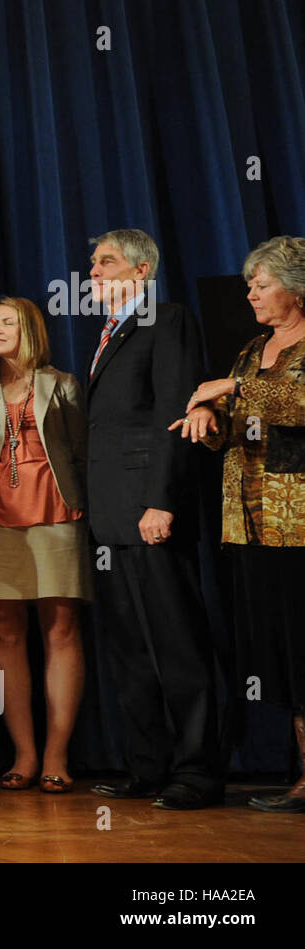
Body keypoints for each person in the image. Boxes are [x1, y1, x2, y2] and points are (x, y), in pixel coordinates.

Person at [83, 228, 222, 810]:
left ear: (140, 272)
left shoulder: (169, 321)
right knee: (130, 650)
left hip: (150, 511)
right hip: (109, 519)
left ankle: (198, 773)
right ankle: (147, 767)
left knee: (177, 646)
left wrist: (160, 501)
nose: (92, 272)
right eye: (91, 264)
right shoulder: (106, 334)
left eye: (105, 262)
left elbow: (172, 415)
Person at [171, 235, 305, 813]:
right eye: (249, 285)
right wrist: (206, 413)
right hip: (252, 524)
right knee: (281, 653)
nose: (251, 294)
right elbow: (230, 420)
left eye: (262, 284)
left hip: (300, 524)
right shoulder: (252, 348)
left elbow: (299, 405)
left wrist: (232, 388)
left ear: (296, 288)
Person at [0, 297, 89, 793]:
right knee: (4, 632)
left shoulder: (64, 384)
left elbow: (80, 453)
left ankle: (57, 755)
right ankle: (24, 754)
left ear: (30, 328)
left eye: (7, 322)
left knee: (60, 629)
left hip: (57, 512)